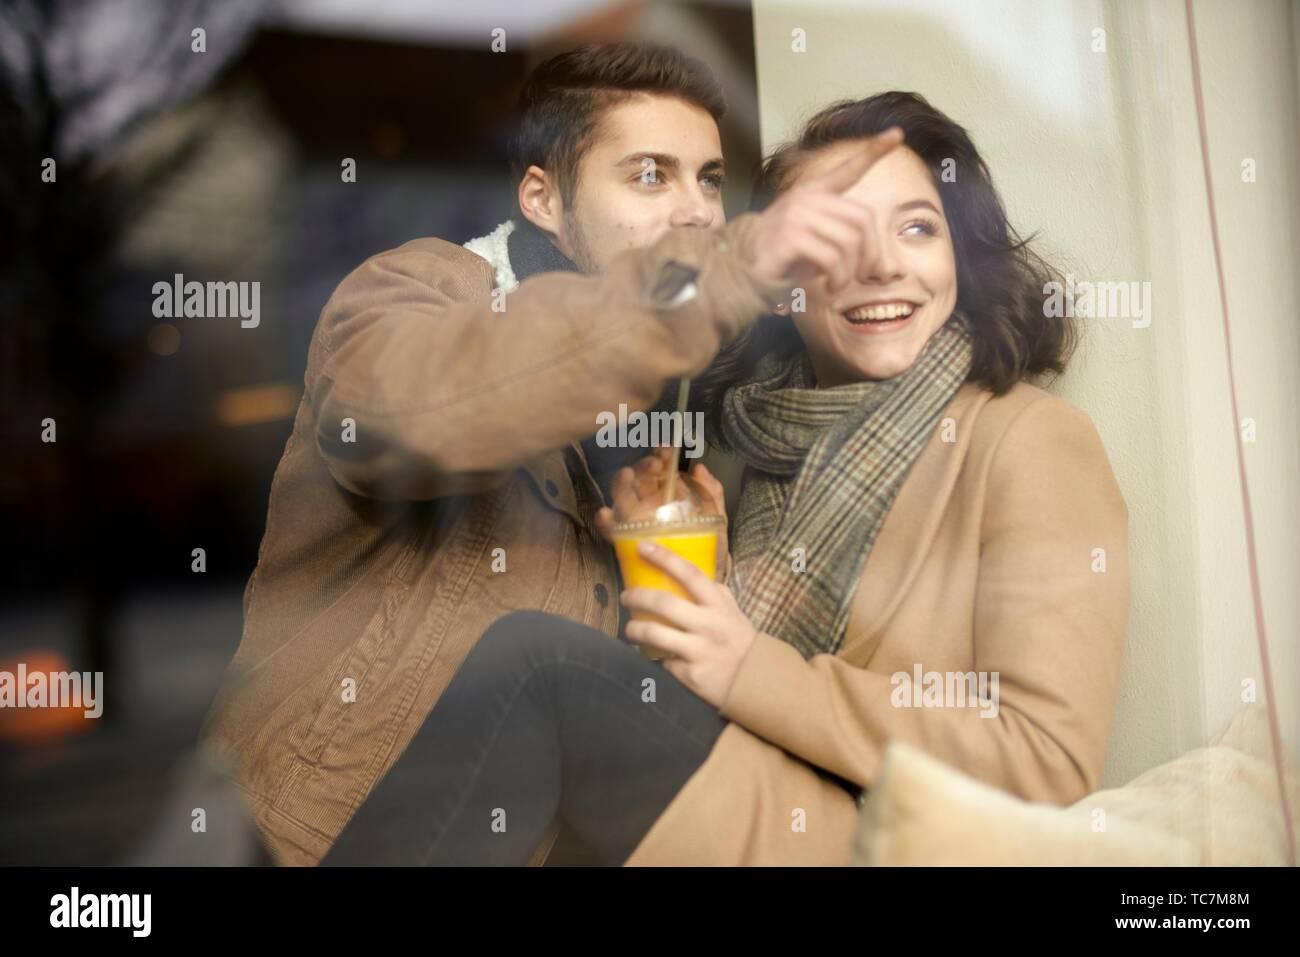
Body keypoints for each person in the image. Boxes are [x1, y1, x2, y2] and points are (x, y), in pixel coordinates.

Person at [319, 91, 1130, 867]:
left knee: (534, 665)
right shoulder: (742, 443)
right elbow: (705, 684)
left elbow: (1047, 760)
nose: (882, 265)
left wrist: (748, 666)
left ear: (961, 260)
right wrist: (699, 579)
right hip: (748, 800)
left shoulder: (1030, 439)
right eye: (837, 240)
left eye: (918, 228)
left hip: (882, 840)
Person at [197, 41, 900, 866]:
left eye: (709, 179)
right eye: (649, 175)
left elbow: (613, 714)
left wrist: (687, 577)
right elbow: (408, 415)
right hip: (309, 836)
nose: (697, 212)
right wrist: (729, 270)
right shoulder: (418, 290)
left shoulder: (667, 405)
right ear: (542, 197)